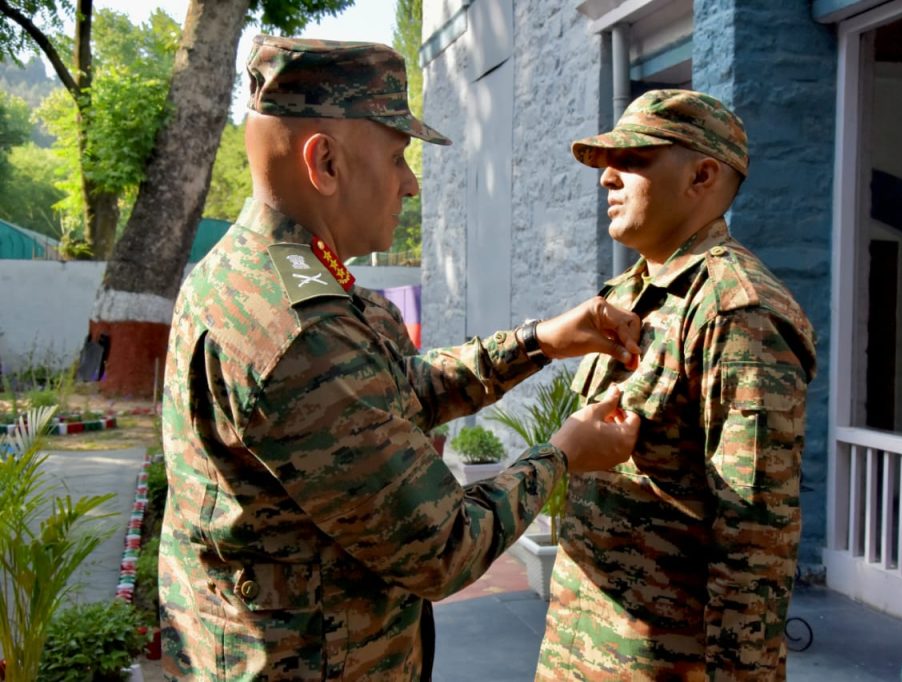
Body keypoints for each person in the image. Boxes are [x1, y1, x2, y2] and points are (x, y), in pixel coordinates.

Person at [159, 36, 642, 681]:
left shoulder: (269, 270)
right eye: (397, 157)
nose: (411, 185)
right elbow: (443, 546)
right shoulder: (296, 331)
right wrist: (562, 454)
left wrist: (541, 341)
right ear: (325, 162)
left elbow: (391, 390)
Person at [535, 90, 817, 680]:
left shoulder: (739, 312)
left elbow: (756, 540)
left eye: (633, 159)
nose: (607, 177)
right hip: (579, 648)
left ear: (702, 176)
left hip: (664, 665)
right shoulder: (623, 297)